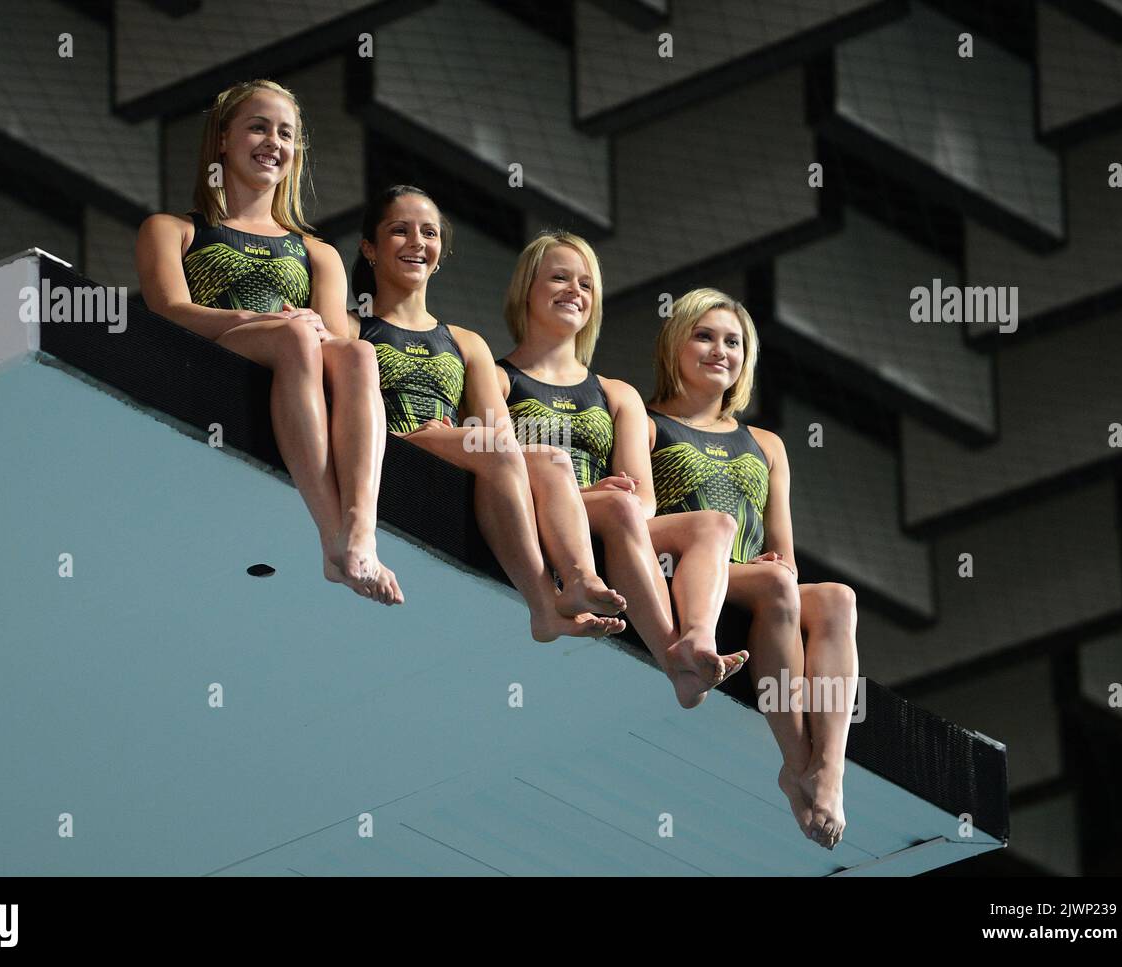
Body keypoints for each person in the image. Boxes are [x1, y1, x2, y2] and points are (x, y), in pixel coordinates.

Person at [136, 79, 402, 605]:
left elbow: (331, 335)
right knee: (297, 336)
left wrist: (307, 328)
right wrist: (261, 319)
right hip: (212, 362)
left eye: (286, 133)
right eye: (258, 127)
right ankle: (331, 539)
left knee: (359, 351)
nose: (273, 142)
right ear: (222, 140)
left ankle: (360, 529)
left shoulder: (317, 252)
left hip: (295, 358)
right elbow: (169, 311)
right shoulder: (172, 230)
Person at [350, 186, 627, 641]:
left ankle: (578, 579)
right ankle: (542, 604)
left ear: (440, 253)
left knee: (549, 457)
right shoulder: (352, 325)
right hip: (392, 446)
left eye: (429, 233)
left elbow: (503, 438)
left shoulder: (466, 342)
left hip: (450, 448)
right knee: (503, 448)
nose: (417, 242)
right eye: (399, 231)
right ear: (369, 248)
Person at [497, 233, 748, 708]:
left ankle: (695, 638)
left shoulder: (618, 394)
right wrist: (596, 494)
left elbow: (646, 500)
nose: (575, 290)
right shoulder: (497, 377)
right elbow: (496, 467)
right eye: (559, 277)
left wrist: (609, 499)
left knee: (715, 523)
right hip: (535, 509)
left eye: (587, 284)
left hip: (609, 517)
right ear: (527, 288)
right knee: (609, 499)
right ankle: (674, 664)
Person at [648, 288, 860, 849]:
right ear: (676, 345)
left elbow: (783, 548)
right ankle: (795, 767)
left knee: (837, 596)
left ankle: (829, 770)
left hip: (751, 574)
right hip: (683, 574)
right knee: (773, 582)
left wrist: (777, 564)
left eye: (733, 342)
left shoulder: (765, 443)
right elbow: (640, 527)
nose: (720, 350)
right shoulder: (646, 423)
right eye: (704, 336)